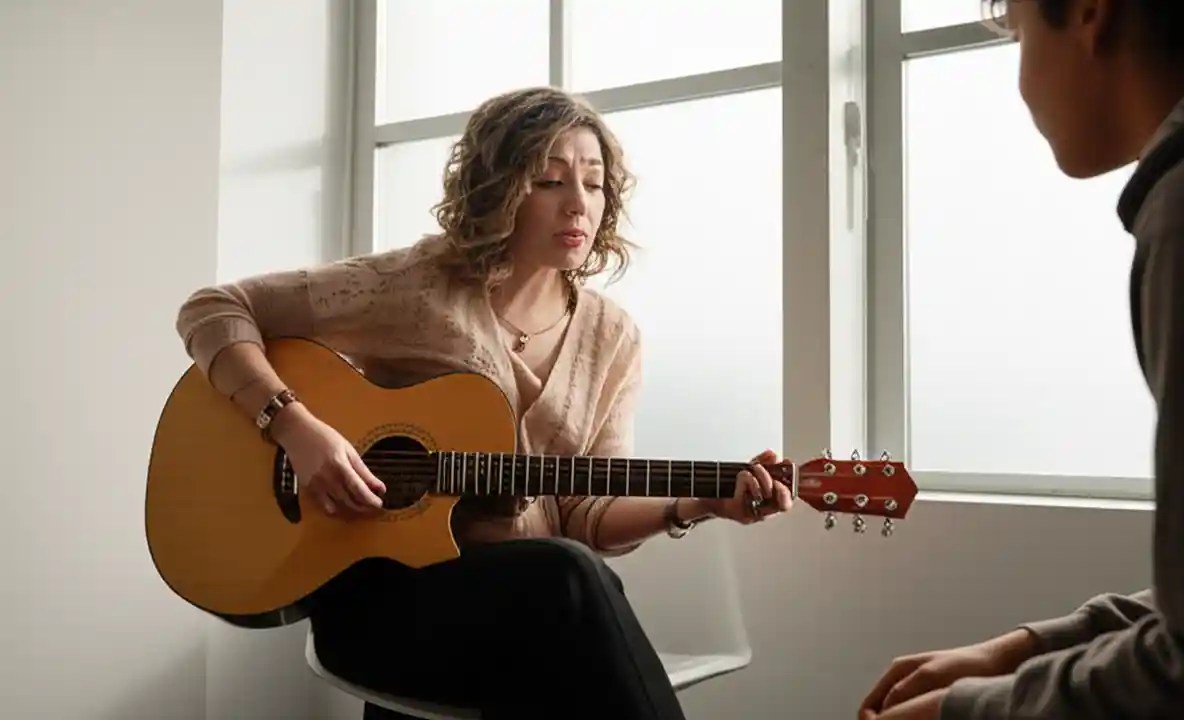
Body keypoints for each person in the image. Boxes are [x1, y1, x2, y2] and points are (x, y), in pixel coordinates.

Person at [174, 86, 792, 720]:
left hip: (531, 609)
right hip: (387, 604)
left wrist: (700, 503)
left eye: (595, 184)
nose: (579, 204)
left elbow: (584, 512)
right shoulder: (415, 287)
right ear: (499, 187)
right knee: (568, 579)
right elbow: (214, 309)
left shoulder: (613, 337)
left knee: (565, 583)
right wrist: (297, 428)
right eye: (550, 180)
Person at [858, 0, 1184, 718]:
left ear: (1090, 11)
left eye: (1018, 32)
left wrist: (964, 710)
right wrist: (1031, 647)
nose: (1019, 80)